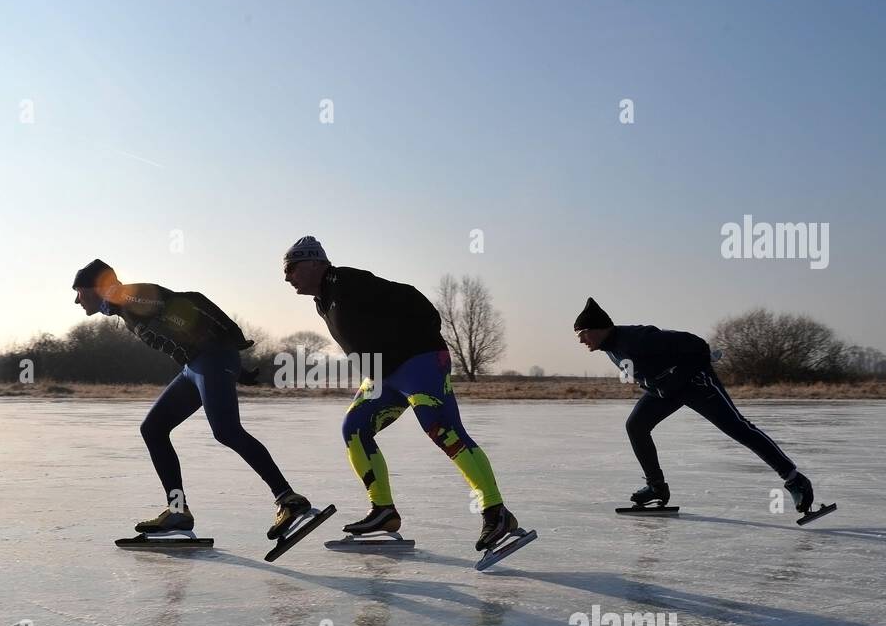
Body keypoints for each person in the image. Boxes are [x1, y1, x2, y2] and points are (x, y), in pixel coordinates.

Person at [282, 236, 518, 550]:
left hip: (418, 362)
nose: (287, 277)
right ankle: (383, 511)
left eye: (291, 268)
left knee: (443, 430)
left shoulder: (347, 280)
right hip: (383, 375)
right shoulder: (322, 300)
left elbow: (412, 299)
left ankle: (495, 511)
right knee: (354, 429)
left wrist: (423, 337)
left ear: (315, 262)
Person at [72, 258, 313, 539]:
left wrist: (225, 353)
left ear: (96, 288)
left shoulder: (127, 295)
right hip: (195, 366)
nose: (77, 301)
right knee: (153, 429)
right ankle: (178, 511)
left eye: (78, 291)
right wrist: (235, 367)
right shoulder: (123, 306)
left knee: (226, 431)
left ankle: (288, 499)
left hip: (208, 361)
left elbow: (181, 306)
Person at [572, 296, 818, 512]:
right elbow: (638, 370)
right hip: (664, 391)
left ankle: (795, 479)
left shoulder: (637, 338)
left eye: (582, 333)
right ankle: (656, 486)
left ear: (599, 328)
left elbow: (697, 344)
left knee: (737, 427)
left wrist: (684, 373)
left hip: (695, 384)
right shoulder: (609, 347)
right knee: (636, 426)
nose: (581, 340)